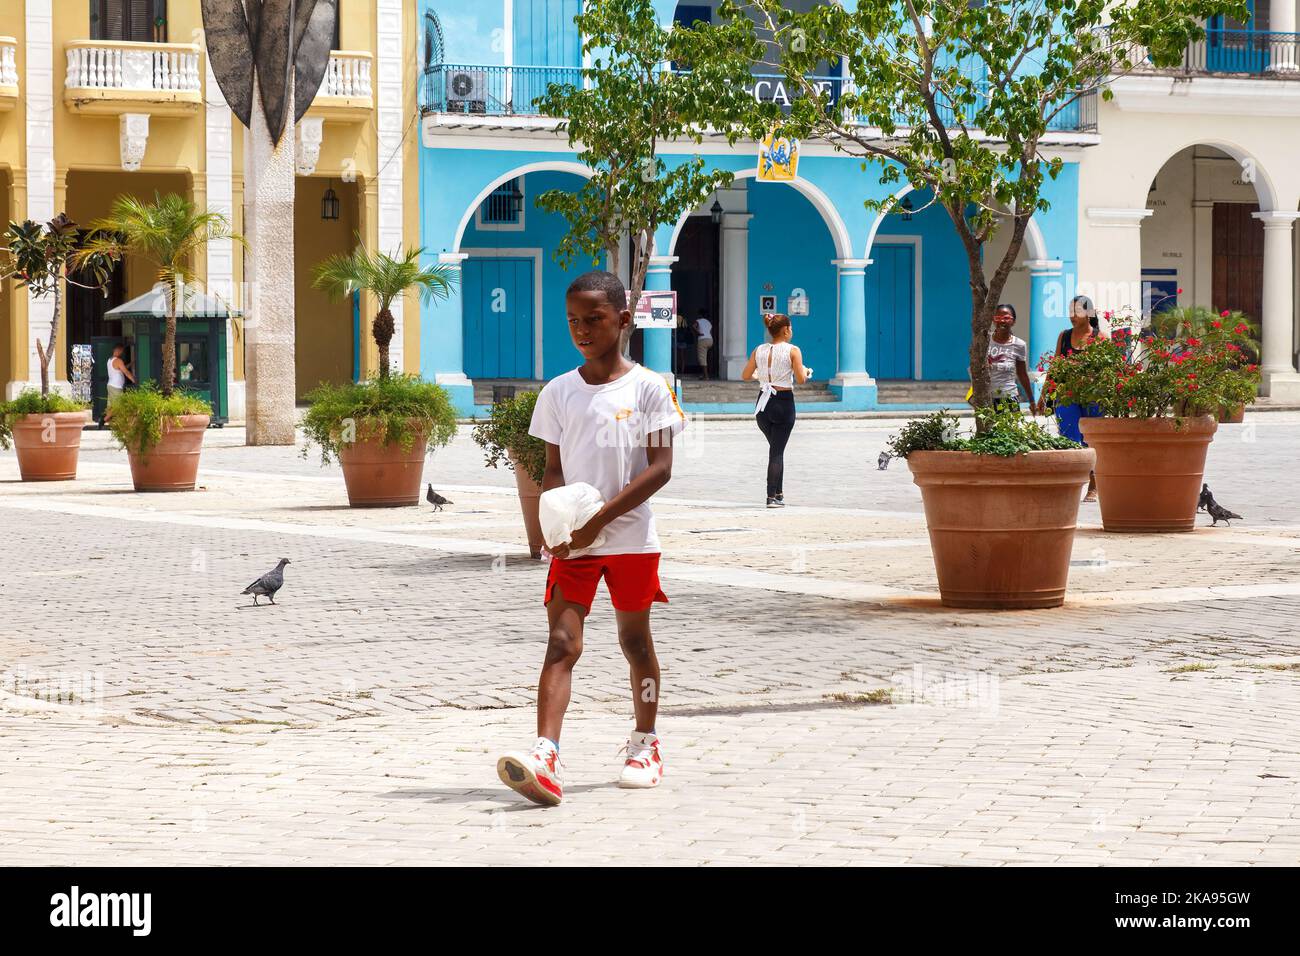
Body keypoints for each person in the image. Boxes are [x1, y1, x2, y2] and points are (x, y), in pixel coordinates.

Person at [496, 270, 686, 807]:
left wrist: (598, 522)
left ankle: (645, 744)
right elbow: (552, 470)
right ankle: (545, 756)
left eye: (595, 319)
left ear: (624, 320)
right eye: (574, 321)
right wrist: (557, 529)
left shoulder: (650, 387)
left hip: (630, 540)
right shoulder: (559, 391)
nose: (582, 329)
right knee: (561, 642)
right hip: (575, 544)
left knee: (634, 643)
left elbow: (661, 468)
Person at [742, 313, 811, 508]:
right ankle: (771, 496)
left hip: (763, 404)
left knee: (776, 450)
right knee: (777, 452)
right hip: (783, 403)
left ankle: (779, 494)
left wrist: (762, 375)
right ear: (786, 329)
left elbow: (746, 375)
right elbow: (800, 379)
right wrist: (805, 371)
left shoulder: (759, 350)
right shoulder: (793, 350)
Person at [1045, 294, 1105, 501]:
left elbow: (1107, 370)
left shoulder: (1100, 337)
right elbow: (1055, 366)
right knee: (1068, 439)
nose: (1072, 316)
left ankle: (1093, 486)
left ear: (1088, 313)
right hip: (1066, 396)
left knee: (1091, 442)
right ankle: (1068, 486)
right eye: (1070, 311)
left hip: (1093, 397)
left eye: (1076, 312)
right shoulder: (1064, 336)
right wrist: (1044, 394)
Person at [986, 303, 1035, 412]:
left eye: (1006, 317)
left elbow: (1022, 374)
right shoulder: (985, 341)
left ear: (1013, 321)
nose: (1002, 321)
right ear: (993, 320)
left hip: (1009, 398)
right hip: (987, 398)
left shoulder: (1019, 344)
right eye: (998, 317)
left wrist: (1032, 401)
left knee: (1010, 429)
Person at [103, 343, 135, 423]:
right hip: (116, 387)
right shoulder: (118, 360)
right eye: (121, 351)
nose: (122, 353)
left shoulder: (110, 360)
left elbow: (120, 369)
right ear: (117, 350)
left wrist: (131, 363)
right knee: (118, 405)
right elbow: (126, 372)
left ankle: (110, 422)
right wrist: (134, 380)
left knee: (111, 406)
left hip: (111, 385)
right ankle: (103, 420)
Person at [692, 308, 714, 380]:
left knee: (702, 358)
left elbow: (693, 326)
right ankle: (705, 374)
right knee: (707, 357)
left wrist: (698, 332)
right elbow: (710, 332)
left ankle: (706, 376)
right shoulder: (708, 322)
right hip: (710, 339)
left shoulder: (698, 321)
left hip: (703, 339)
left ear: (700, 314)